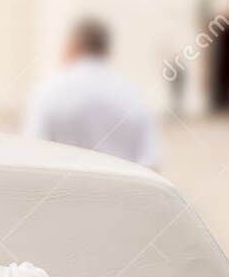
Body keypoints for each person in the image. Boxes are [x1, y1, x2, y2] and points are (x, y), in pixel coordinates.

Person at [24, 19, 160, 168]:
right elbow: (152, 164)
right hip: (121, 190)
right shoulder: (133, 96)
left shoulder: (48, 91)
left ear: (73, 46)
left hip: (64, 190)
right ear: (106, 50)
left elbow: (34, 157)